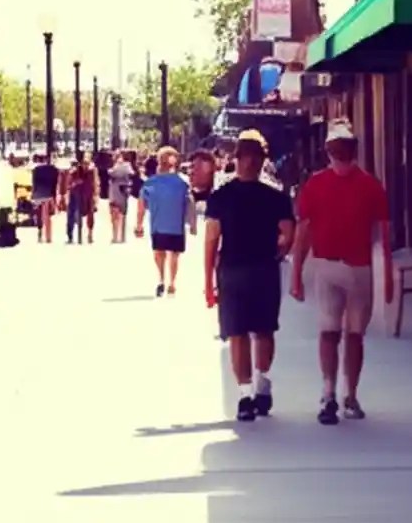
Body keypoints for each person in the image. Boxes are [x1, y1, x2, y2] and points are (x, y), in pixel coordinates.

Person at [290, 119, 393, 425]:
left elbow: (383, 235)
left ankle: (348, 393)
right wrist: (296, 272)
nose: (340, 156)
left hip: (358, 266)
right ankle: (330, 393)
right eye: (337, 150)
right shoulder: (318, 185)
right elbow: (303, 232)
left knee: (354, 334)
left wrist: (385, 274)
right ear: (328, 151)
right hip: (329, 265)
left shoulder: (370, 186)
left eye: (344, 150)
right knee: (330, 330)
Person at [204, 130, 294, 422]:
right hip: (239, 269)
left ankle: (259, 383)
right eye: (246, 157)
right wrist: (208, 280)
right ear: (238, 159)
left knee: (258, 330)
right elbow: (211, 239)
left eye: (255, 157)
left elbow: (288, 232)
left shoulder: (272, 197)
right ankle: (247, 392)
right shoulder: (227, 197)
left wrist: (280, 251)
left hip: (254, 268)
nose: (250, 162)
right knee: (241, 333)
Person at [135, 146, 198, 297]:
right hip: (176, 226)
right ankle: (171, 282)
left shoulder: (151, 183)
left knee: (159, 253)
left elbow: (141, 205)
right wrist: (192, 224)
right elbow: (190, 204)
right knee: (174, 254)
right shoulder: (182, 183)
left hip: (158, 226)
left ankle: (162, 280)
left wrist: (139, 225)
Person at [107, 151, 135, 243]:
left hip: (116, 191)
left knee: (115, 214)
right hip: (124, 191)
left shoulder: (117, 166)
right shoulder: (128, 166)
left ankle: (115, 236)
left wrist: (112, 171)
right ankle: (122, 237)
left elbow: (111, 173)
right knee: (122, 215)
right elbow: (132, 173)